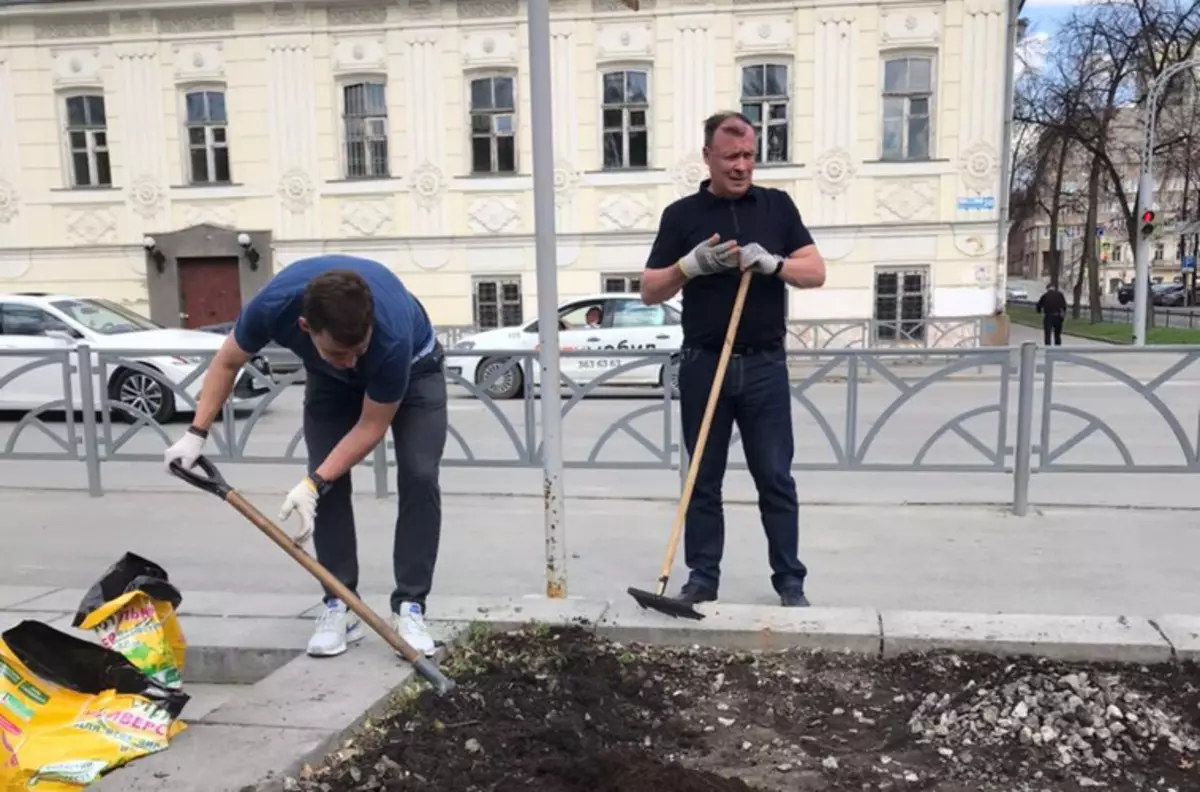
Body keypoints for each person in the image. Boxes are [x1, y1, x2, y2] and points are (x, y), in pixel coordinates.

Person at [163, 255, 448, 659]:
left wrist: (313, 483)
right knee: (328, 484)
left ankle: (411, 606)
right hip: (327, 383)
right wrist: (196, 434)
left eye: (357, 350)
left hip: (416, 372)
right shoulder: (272, 306)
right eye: (338, 352)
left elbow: (371, 426)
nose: (351, 362)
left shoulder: (391, 336)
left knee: (419, 475)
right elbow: (227, 362)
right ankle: (340, 604)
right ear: (304, 328)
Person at [639, 111, 826, 608]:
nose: (742, 167)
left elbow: (816, 271)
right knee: (702, 475)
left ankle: (790, 582)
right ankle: (702, 578)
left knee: (775, 478)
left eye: (749, 156)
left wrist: (775, 264)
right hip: (705, 364)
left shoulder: (778, 207)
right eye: (731, 158)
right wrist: (690, 265)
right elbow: (649, 290)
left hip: (765, 365)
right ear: (707, 157)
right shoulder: (682, 216)